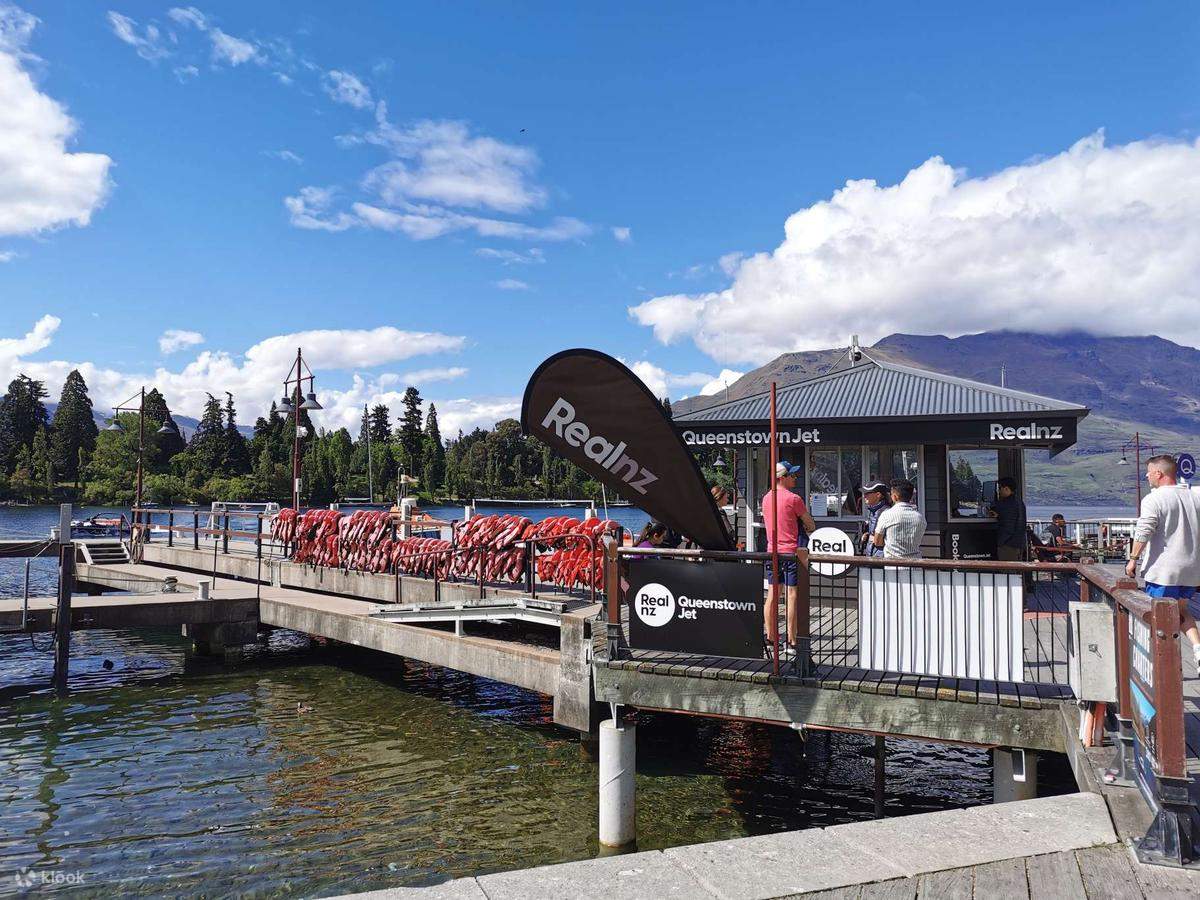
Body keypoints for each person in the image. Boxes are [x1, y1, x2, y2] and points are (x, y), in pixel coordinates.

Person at [1124, 455, 1200, 668]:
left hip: (1163, 570)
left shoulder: (1154, 499)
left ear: (1159, 473)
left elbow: (1144, 531)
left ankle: (1166, 666)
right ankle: (1198, 649)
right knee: (1182, 611)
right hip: (1192, 570)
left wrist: (1133, 559)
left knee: (1160, 619)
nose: (1146, 475)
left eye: (1149, 471)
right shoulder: (1195, 497)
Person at [761, 460, 817, 660]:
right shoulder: (794, 499)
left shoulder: (766, 498)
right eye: (792, 475)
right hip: (792, 553)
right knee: (792, 595)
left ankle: (770, 637)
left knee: (773, 594)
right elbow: (810, 524)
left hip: (772, 552)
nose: (795, 478)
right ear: (782, 477)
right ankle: (791, 640)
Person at [872, 479, 926, 559]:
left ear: (895, 497)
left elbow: (877, 542)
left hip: (893, 567)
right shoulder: (920, 517)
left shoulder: (887, 515)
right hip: (916, 566)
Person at [989, 476, 1028, 562]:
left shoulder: (1005, 504)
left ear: (1006, 488)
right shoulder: (1019, 502)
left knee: (1007, 572)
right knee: (1016, 571)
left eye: (1000, 488)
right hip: (1019, 543)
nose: (999, 491)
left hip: (1007, 544)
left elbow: (1008, 523)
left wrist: (1002, 542)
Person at [858, 481, 891, 557]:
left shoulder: (887, 512)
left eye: (867, 493)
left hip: (881, 557)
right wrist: (867, 534)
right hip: (871, 554)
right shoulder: (873, 510)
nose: (864, 496)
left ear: (878, 495)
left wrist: (874, 537)